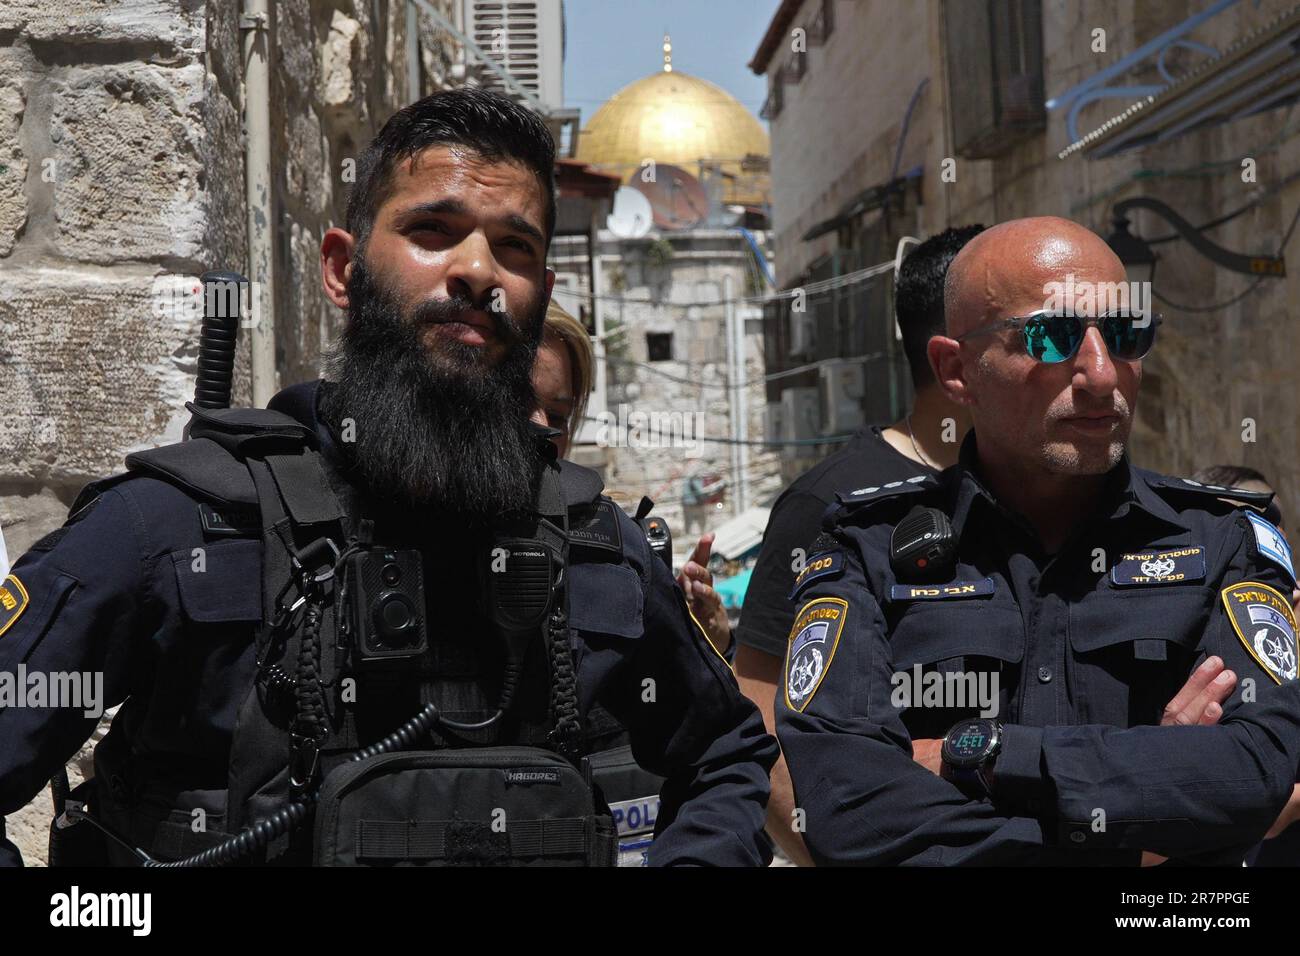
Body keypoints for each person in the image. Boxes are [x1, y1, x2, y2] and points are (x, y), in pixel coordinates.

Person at [0, 87, 776, 867]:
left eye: (515, 248)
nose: (477, 270)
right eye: (433, 231)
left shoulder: (595, 545)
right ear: (341, 269)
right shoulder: (173, 528)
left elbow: (730, 757)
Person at [777, 215, 1300, 865]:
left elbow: (1253, 773)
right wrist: (1137, 826)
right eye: (1051, 337)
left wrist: (979, 755)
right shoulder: (867, 549)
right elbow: (845, 801)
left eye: (1125, 334)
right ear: (956, 369)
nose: (1103, 375)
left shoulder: (1223, 540)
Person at [732, 226, 981, 865]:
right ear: (954, 356)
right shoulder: (829, 505)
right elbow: (760, 706)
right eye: (1040, 332)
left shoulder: (1053, 494)